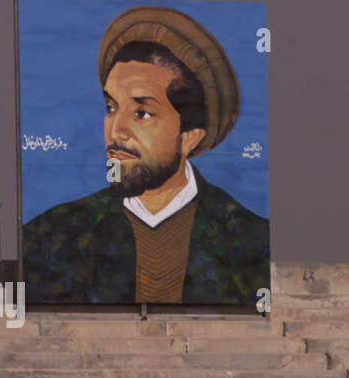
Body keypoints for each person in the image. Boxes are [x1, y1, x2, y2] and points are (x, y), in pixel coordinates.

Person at [23, 6, 269, 305]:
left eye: (142, 113)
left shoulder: (251, 243)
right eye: (111, 108)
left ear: (190, 136)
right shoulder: (50, 239)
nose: (117, 130)